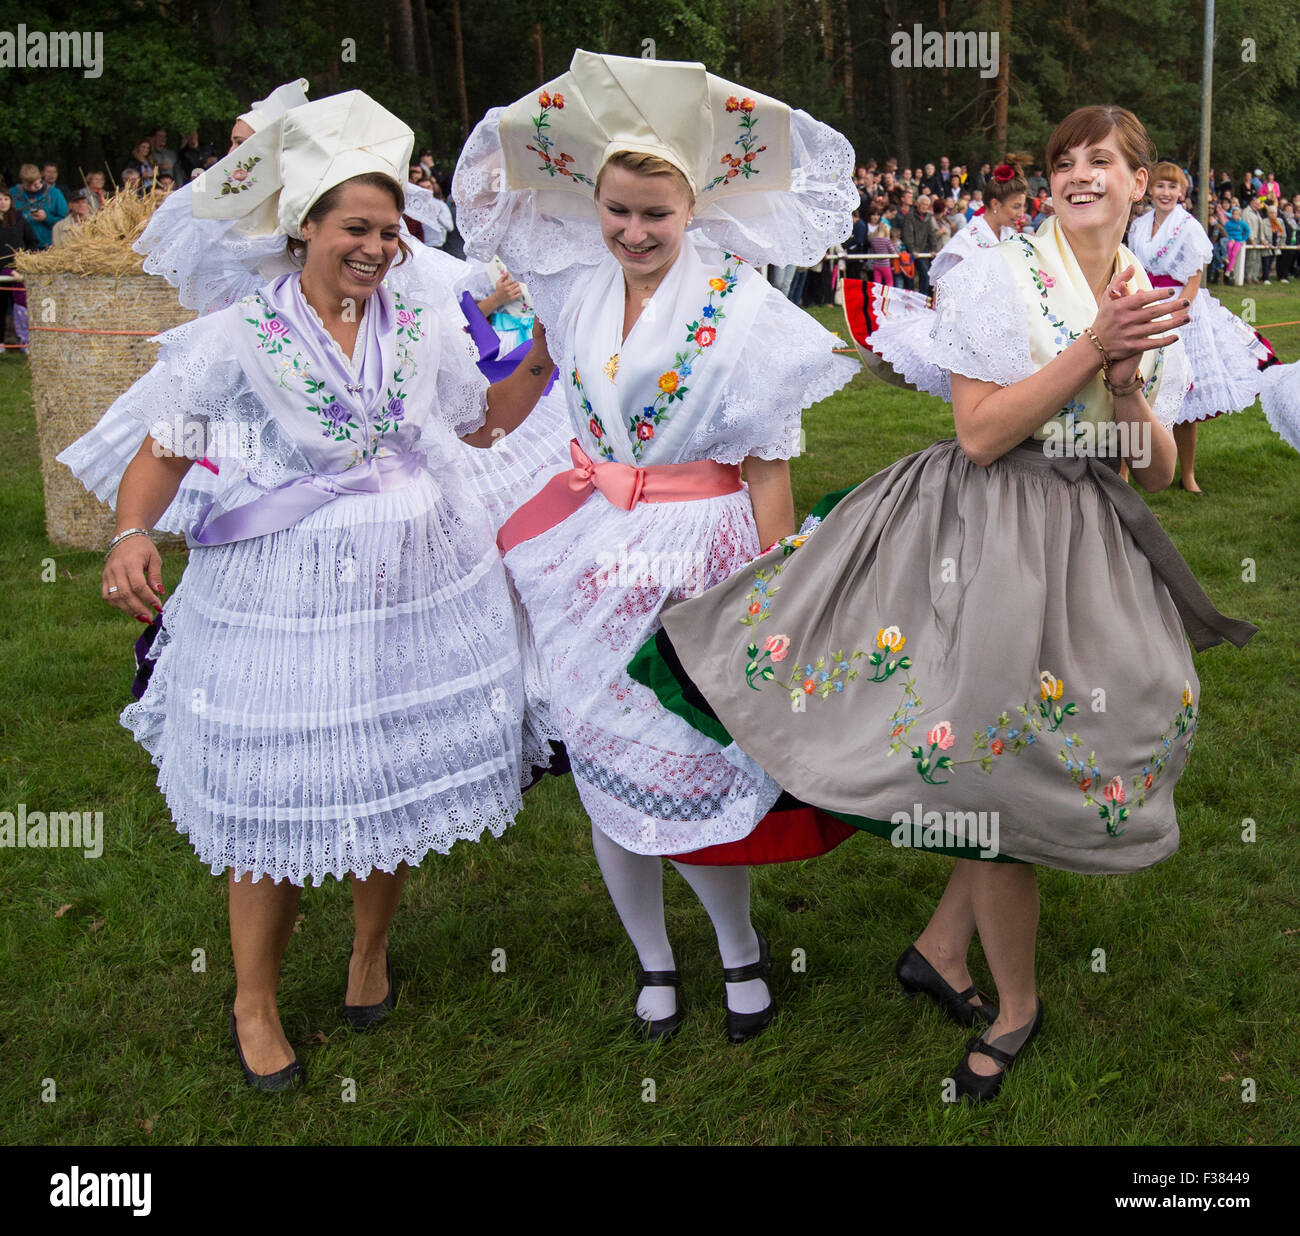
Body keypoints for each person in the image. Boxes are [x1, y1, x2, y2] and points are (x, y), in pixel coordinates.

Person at [633, 105, 1257, 1102]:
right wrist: (1091, 348)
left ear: (1143, 182)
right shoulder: (996, 278)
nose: (1078, 173)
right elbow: (980, 433)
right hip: (987, 529)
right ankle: (1013, 1007)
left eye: (1102, 160)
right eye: (1064, 161)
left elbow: (1154, 470)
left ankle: (937, 946)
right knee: (993, 771)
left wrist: (1132, 379)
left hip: (1088, 539)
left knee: (1067, 746)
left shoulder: (1153, 294)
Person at [57, 89, 558, 1093]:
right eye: (355, 229)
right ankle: (254, 1000)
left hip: (414, 583)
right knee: (274, 790)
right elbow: (167, 447)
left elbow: (478, 427)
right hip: (283, 591)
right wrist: (128, 533)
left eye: (390, 230)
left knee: (384, 777)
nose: (376, 247)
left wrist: (542, 357)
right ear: (306, 229)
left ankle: (370, 953)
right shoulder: (240, 335)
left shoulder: (419, 328)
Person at [454, 50, 859, 1043]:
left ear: (694, 213)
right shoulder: (571, 288)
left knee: (690, 763)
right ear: (594, 207)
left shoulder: (748, 319)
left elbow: (767, 472)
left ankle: (736, 949)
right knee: (603, 761)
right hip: (593, 554)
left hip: (701, 556)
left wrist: (772, 596)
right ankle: (651, 959)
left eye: (656, 214)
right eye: (618, 210)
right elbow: (488, 185)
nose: (634, 232)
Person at [1128, 162, 1274, 493]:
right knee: (1136, 390)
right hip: (1143, 302)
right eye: (1161, 186)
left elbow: (1193, 279)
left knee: (1185, 400)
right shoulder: (1137, 226)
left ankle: (1187, 473)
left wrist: (1176, 313)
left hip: (1180, 310)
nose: (1166, 193)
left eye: (1172, 188)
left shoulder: (1189, 227)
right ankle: (1130, 470)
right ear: (1150, 189)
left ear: (1182, 193)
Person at [0, 185, 38, 349]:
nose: (3, 202)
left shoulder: (19, 219)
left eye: (6, 199)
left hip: (18, 272)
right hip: (0, 273)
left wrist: (24, 264)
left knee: (22, 307)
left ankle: (25, 343)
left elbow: (32, 242)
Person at [9, 163, 67, 248]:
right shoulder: (13, 193)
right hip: (21, 247)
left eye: (36, 184)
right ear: (22, 181)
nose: (32, 188)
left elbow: (66, 222)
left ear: (40, 178)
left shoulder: (55, 193)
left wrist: (46, 218)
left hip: (48, 246)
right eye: (28, 185)